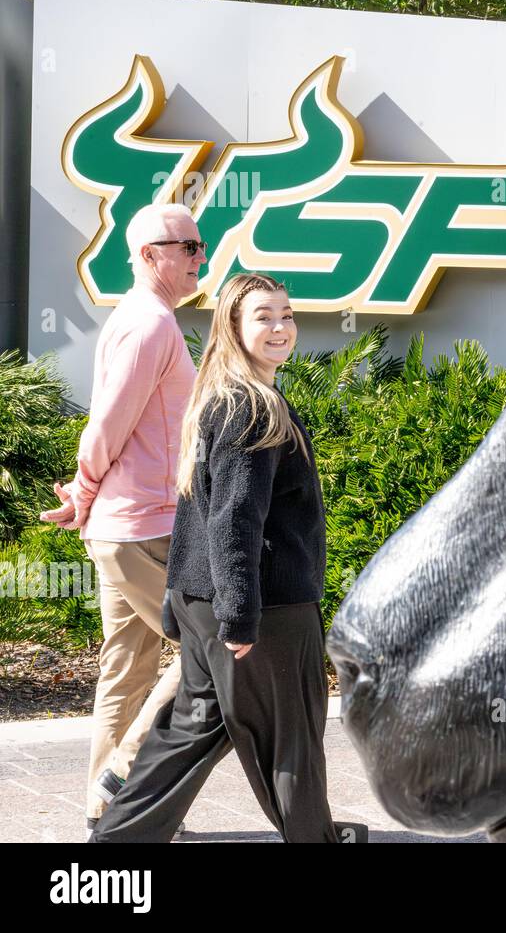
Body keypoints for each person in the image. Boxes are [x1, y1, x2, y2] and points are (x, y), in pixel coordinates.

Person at [88, 272, 338, 843]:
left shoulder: (220, 399)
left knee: (190, 730)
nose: (280, 327)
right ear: (232, 326)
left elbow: (195, 510)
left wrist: (184, 605)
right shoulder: (253, 408)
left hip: (207, 603)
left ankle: (113, 847)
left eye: (287, 314)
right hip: (262, 610)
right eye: (263, 316)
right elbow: (233, 520)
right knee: (291, 743)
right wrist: (239, 617)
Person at [41, 203, 204, 838]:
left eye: (199, 245)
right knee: (210, 647)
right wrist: (84, 490)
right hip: (144, 529)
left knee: (127, 669)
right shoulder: (150, 325)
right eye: (187, 246)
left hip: (124, 525)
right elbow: (107, 424)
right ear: (149, 256)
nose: (199, 256)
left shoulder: (141, 320)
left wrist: (86, 500)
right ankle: (122, 775)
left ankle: (105, 812)